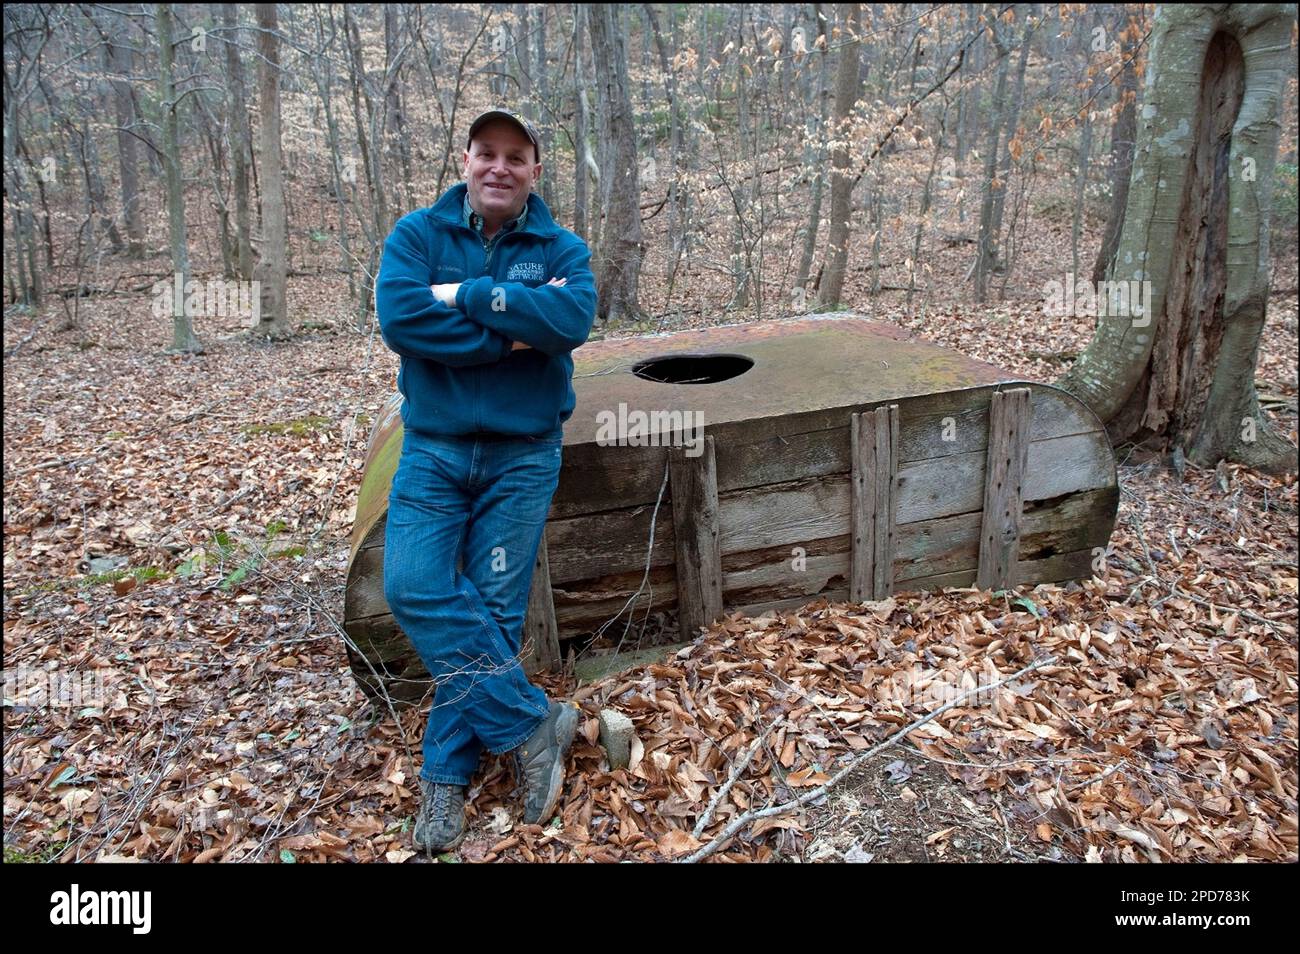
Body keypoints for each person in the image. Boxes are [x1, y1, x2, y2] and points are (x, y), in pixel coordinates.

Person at [375, 109, 596, 854]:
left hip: (522, 455)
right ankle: (533, 725)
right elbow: (402, 319)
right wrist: (513, 332)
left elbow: (570, 320)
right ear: (465, 161)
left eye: (516, 156)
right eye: (486, 154)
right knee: (412, 586)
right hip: (434, 451)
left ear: (535, 169)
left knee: (493, 612)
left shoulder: (562, 247)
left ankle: (444, 778)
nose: (499, 167)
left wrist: (465, 296)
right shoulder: (415, 235)